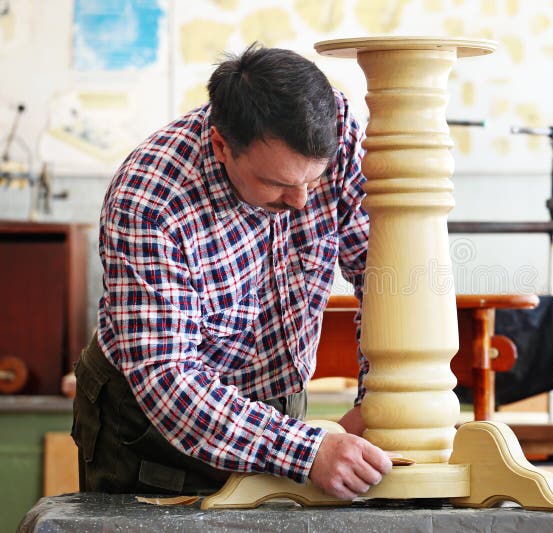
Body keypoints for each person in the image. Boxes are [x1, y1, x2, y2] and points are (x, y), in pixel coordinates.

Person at [71, 43, 392, 500]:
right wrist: (306, 451)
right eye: (278, 183)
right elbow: (169, 377)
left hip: (276, 397)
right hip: (152, 426)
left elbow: (378, 270)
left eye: (312, 180)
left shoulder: (334, 128)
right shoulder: (150, 200)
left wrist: (373, 398)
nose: (301, 201)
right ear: (222, 146)